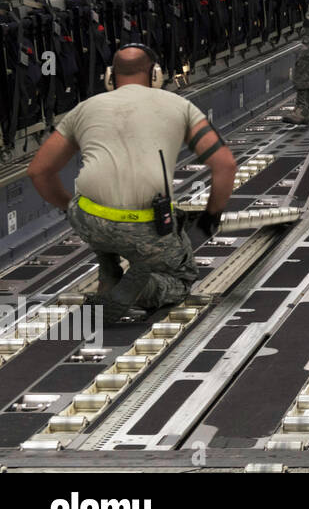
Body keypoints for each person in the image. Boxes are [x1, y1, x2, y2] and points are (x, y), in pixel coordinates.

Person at [26, 46, 236, 322]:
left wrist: (69, 209)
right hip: (147, 223)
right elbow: (225, 165)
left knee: (95, 217)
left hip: (90, 220)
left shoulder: (85, 109)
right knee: (182, 278)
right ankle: (141, 288)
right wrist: (210, 218)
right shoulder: (178, 106)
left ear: (110, 77)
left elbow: (38, 171)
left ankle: (109, 270)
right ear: (156, 75)